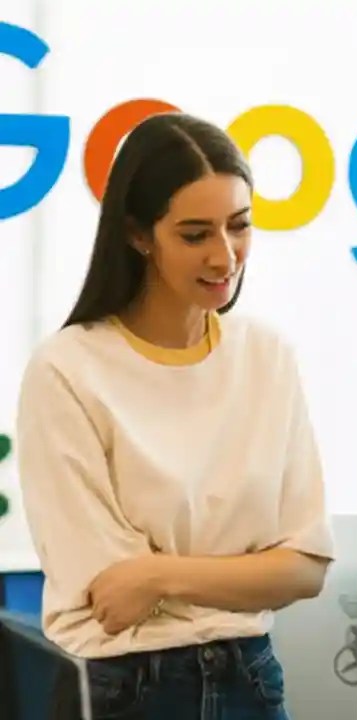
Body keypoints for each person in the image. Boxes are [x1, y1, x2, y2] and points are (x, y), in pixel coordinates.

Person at [15, 113, 333, 719]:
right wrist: (241, 571)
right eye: (194, 235)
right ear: (139, 235)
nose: (225, 256)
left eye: (239, 227)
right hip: (123, 688)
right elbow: (108, 592)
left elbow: (304, 568)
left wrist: (160, 575)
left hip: (251, 679)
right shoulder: (67, 370)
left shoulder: (268, 357)